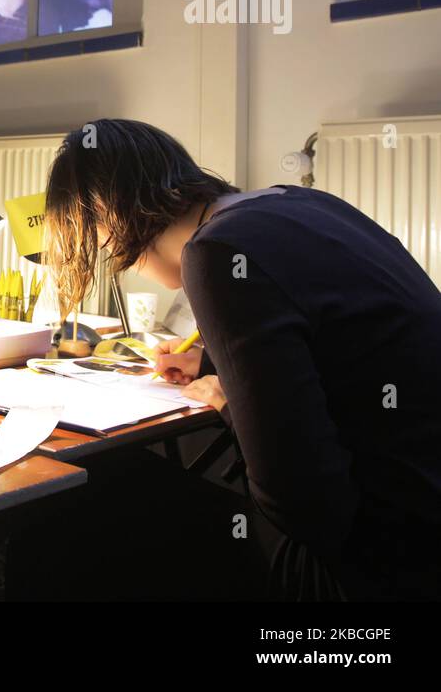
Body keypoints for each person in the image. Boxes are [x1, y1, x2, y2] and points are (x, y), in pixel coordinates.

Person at [43, 118, 441, 600]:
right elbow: (335, 353)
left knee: (82, 495)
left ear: (109, 217)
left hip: (376, 563)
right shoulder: (301, 203)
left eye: (98, 236)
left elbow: (302, 503)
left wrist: (228, 401)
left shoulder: (215, 252)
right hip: (421, 509)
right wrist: (217, 367)